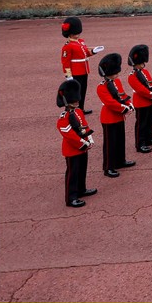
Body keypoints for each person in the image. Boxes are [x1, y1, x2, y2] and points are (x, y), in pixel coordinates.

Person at [57, 79, 96, 208]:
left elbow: (84, 126)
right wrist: (82, 143)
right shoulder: (63, 118)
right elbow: (69, 135)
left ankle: (81, 189)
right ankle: (71, 197)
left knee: (82, 169)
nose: (77, 101)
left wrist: (89, 139)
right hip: (72, 149)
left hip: (83, 146)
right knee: (72, 173)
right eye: (74, 100)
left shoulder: (78, 112)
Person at [96, 52, 135, 178]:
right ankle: (108, 167)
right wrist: (123, 108)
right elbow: (110, 102)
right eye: (114, 73)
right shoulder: (101, 87)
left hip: (118, 116)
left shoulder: (116, 82)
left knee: (120, 140)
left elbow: (122, 95)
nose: (117, 75)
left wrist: (129, 103)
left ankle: (120, 161)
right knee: (110, 143)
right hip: (109, 117)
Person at [126, 44, 152, 154]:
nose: (143, 65)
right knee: (141, 124)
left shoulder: (144, 72)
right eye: (141, 63)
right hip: (141, 102)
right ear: (135, 64)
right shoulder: (132, 76)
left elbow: (151, 82)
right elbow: (140, 89)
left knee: (149, 121)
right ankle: (140, 144)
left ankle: (149, 138)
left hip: (148, 101)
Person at [59, 16, 98, 115]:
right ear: (70, 34)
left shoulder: (81, 41)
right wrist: (68, 76)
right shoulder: (67, 46)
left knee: (83, 91)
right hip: (75, 72)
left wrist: (93, 51)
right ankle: (72, 110)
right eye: (74, 33)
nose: (77, 35)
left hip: (84, 70)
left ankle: (81, 109)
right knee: (75, 92)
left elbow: (85, 53)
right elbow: (65, 62)